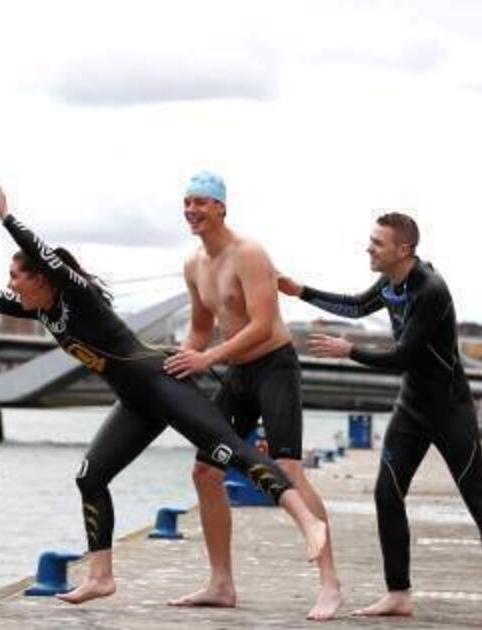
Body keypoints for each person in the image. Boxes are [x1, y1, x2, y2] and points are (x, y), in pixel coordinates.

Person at [0, 178, 327, 605]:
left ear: (41, 277)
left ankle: (308, 523)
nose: (10, 285)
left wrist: (7, 218)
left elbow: (48, 258)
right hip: (135, 401)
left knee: (231, 451)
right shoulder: (44, 311)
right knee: (90, 476)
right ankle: (101, 577)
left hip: (161, 383)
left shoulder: (78, 296)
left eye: (15, 276)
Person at [278, 212, 482, 626]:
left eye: (377, 243)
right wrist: (300, 291)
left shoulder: (430, 290)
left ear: (402, 249)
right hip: (411, 408)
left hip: (449, 410)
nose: (368, 248)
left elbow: (403, 356)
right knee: (387, 495)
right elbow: (356, 306)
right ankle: (398, 593)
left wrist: (350, 351)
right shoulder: (392, 282)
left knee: (478, 499)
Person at [162, 171, 342, 619]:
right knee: (205, 471)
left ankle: (329, 582)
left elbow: (262, 325)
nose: (191, 210)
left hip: (274, 366)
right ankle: (221, 584)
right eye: (187, 202)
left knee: (288, 471)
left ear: (221, 206)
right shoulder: (193, 265)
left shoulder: (250, 254)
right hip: (237, 375)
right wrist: (177, 362)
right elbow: (201, 328)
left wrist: (207, 359)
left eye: (201, 202)